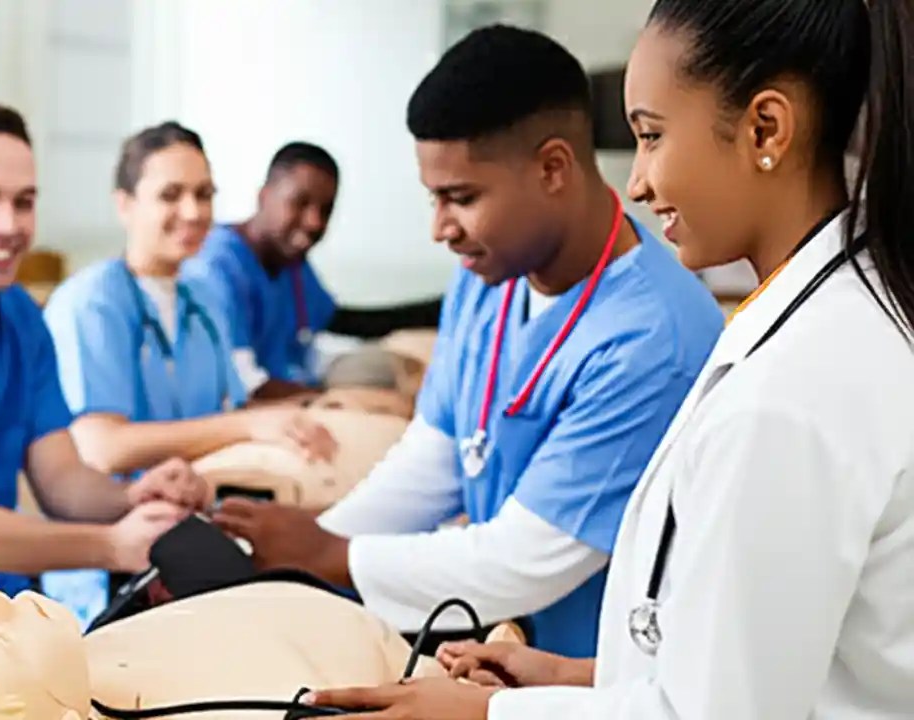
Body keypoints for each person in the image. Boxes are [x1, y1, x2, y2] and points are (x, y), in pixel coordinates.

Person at [307, 1, 914, 718]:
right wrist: (577, 677)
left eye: (652, 137)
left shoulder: (786, 392)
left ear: (766, 129)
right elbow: (761, 662)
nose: (637, 182)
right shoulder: (824, 321)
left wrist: (485, 714)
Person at [213, 25, 724, 659]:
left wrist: (330, 553)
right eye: (434, 197)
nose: (439, 229)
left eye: (462, 198)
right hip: (493, 646)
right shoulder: (489, 277)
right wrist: (294, 552)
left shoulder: (655, 337)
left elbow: (523, 558)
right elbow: (434, 459)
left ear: (553, 168)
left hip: (592, 674)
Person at [0, 101, 206, 622]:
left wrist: (133, 495)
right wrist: (110, 544)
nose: (8, 224)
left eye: (24, 202)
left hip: (7, 609)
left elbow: (62, 478)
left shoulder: (21, 318)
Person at [42, 121, 337, 480]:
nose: (194, 212)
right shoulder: (92, 302)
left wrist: (326, 404)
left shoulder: (204, 300)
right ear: (125, 205)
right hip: (113, 518)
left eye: (204, 194)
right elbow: (102, 447)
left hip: (196, 498)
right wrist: (250, 425)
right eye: (170, 195)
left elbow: (232, 409)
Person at [181, 142, 343, 398]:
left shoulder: (291, 262)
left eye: (326, 210)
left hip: (296, 390)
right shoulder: (216, 267)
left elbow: (337, 320)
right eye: (300, 202)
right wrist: (332, 399)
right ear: (263, 197)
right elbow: (244, 385)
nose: (315, 222)